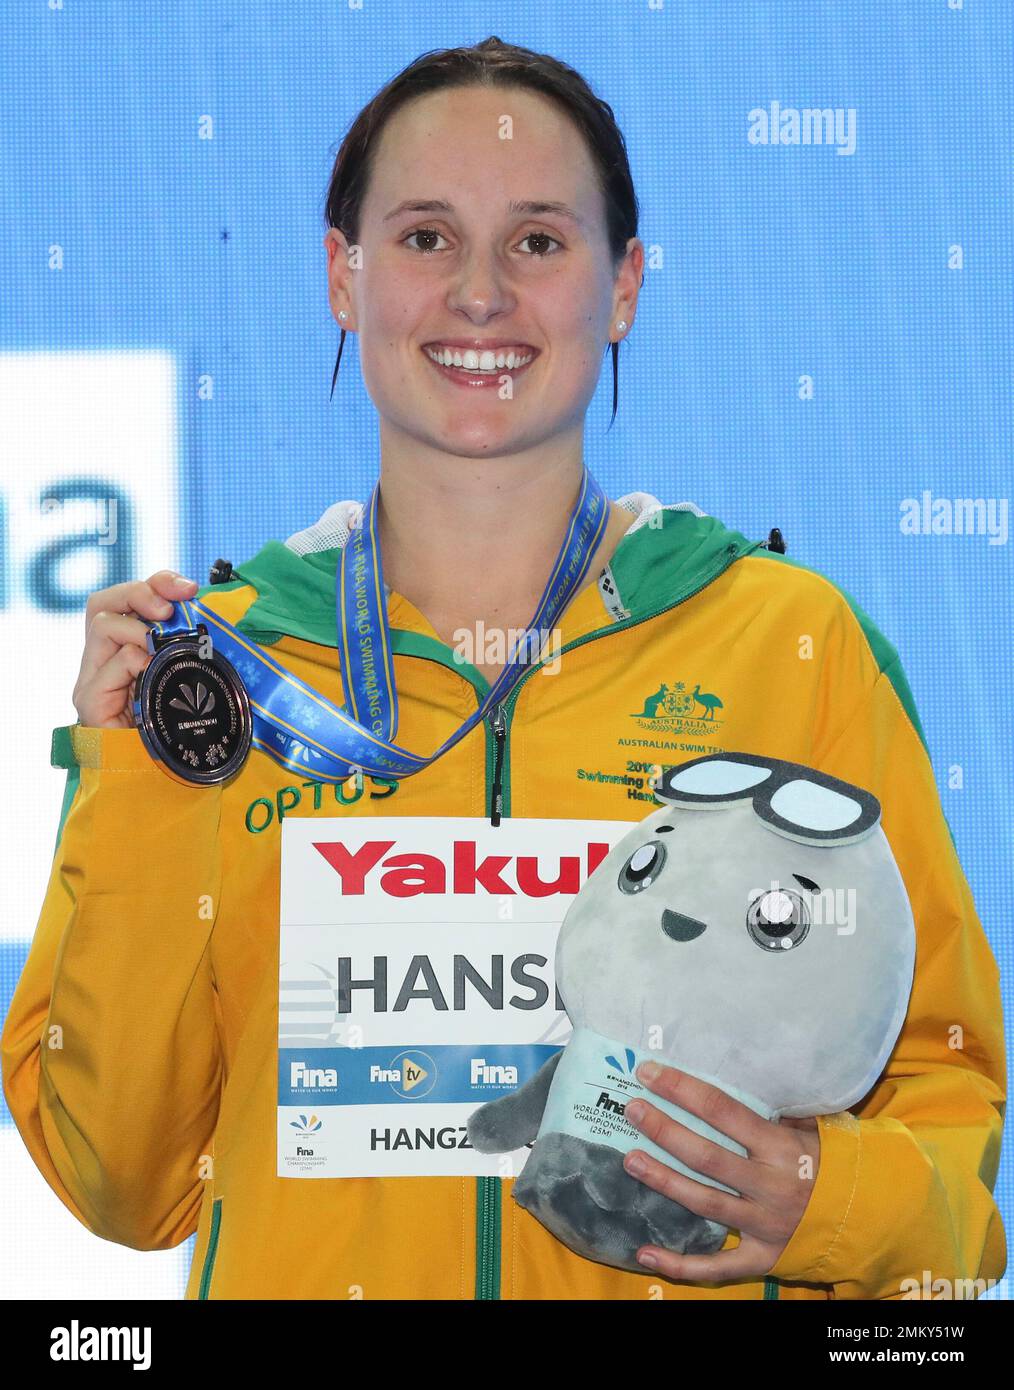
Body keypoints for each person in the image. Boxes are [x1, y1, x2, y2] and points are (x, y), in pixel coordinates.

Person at [2, 36, 1005, 1302]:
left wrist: (831, 1200)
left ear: (625, 284)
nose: (480, 293)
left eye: (539, 240)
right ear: (342, 276)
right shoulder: (231, 681)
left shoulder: (789, 647)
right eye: (425, 237)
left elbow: (950, 1117)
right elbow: (123, 1185)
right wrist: (136, 780)